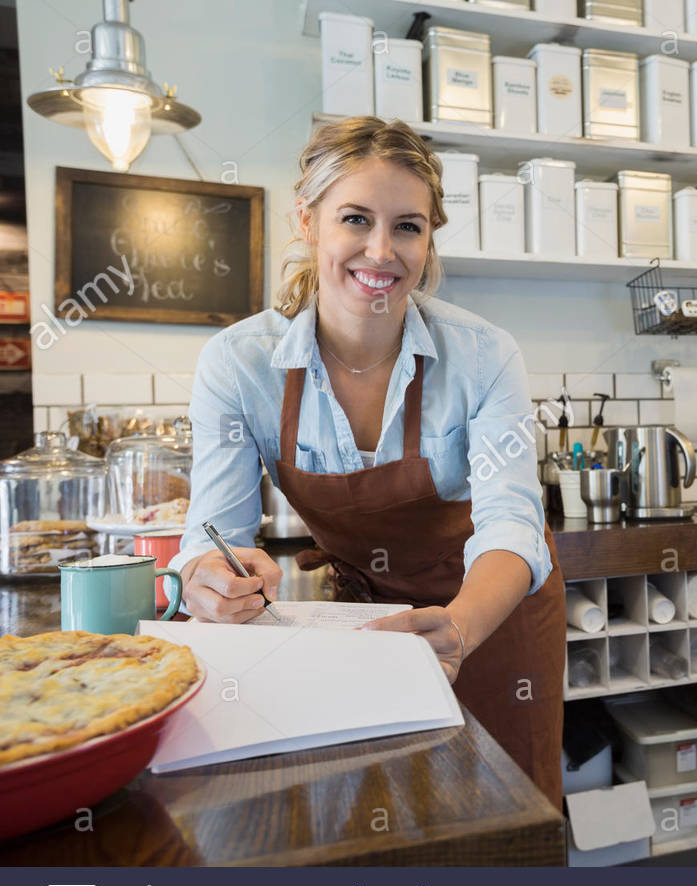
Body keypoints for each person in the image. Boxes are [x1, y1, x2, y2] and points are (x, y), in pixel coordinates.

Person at [171, 117, 567, 807]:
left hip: (491, 612)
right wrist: (209, 579)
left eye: (408, 227)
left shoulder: (483, 356)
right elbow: (215, 535)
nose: (381, 251)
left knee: (506, 813)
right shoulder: (238, 365)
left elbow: (511, 522)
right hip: (363, 620)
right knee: (375, 809)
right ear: (308, 220)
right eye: (355, 218)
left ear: (429, 237)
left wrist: (461, 626)